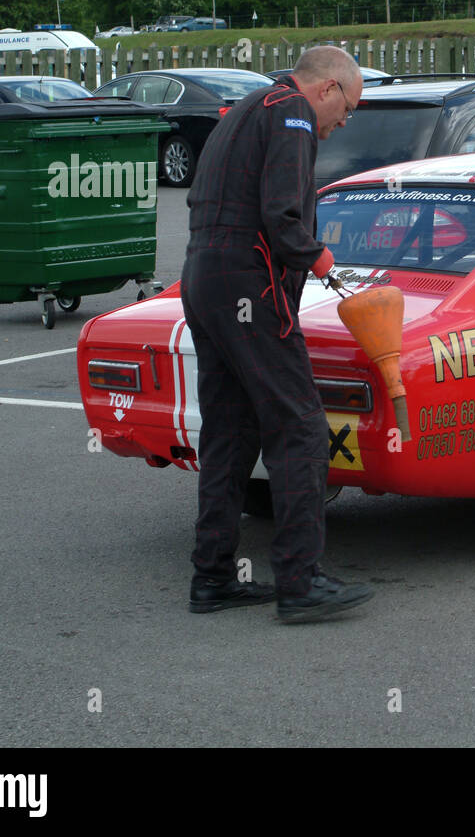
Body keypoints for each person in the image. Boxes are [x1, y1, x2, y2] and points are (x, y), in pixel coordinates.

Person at [180, 45, 374, 623]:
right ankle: (300, 581)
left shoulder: (244, 107)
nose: (342, 124)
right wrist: (324, 264)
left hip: (203, 280)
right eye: (348, 109)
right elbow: (283, 215)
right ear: (328, 89)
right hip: (251, 288)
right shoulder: (292, 114)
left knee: (230, 431)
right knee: (301, 430)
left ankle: (211, 577)